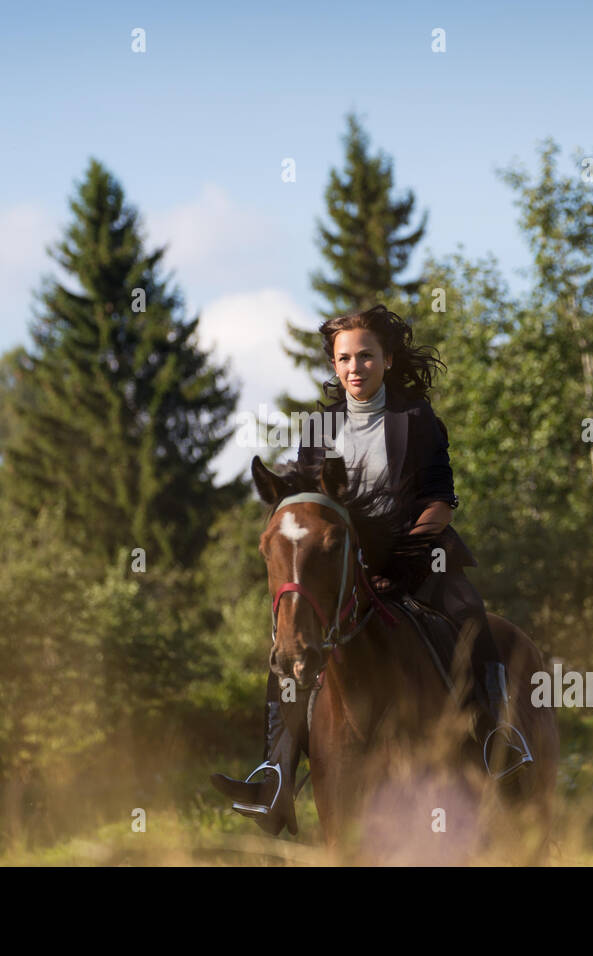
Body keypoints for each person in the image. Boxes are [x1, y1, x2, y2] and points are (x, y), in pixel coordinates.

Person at [210, 304, 511, 835]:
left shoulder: (416, 421)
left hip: (415, 558)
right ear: (334, 365)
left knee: (468, 611)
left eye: (365, 356)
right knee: (289, 648)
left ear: (386, 360)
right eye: (344, 358)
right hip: (341, 566)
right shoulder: (320, 426)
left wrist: (401, 559)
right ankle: (273, 777)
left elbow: (440, 502)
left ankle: (492, 740)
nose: (355, 367)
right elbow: (305, 500)